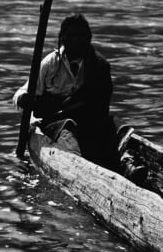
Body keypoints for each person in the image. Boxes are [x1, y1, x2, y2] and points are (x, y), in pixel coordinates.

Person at [13, 12, 122, 170]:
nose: (76, 40)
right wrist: (24, 99)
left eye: (81, 36)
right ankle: (77, 164)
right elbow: (22, 92)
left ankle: (126, 161)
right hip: (56, 122)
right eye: (71, 36)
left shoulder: (99, 65)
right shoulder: (51, 63)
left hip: (88, 121)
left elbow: (100, 105)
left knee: (117, 126)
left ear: (88, 39)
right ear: (63, 38)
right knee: (67, 130)